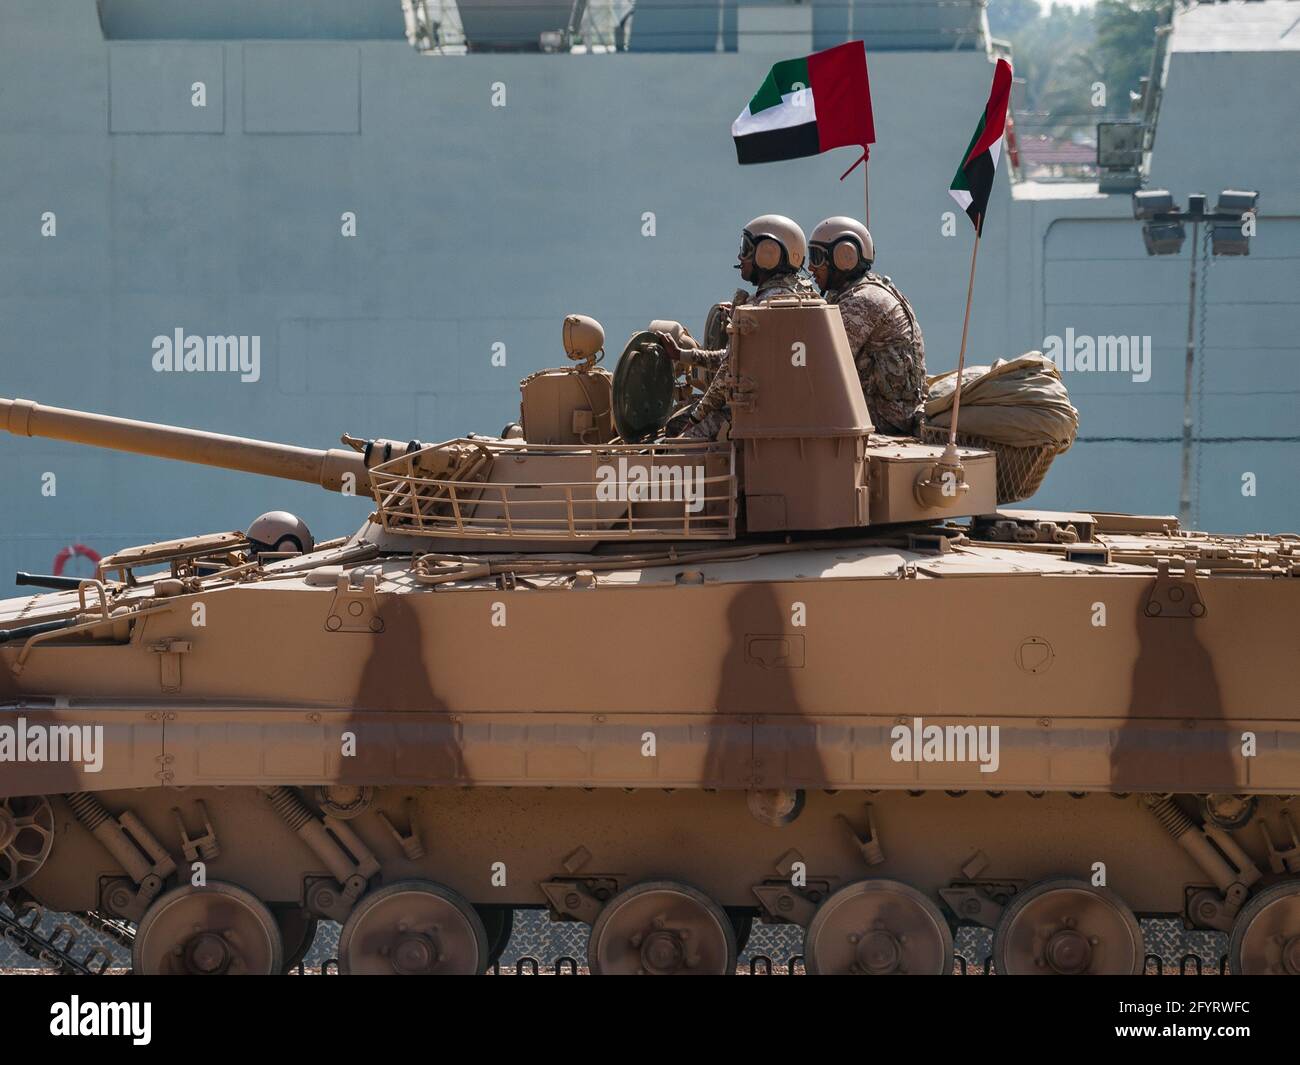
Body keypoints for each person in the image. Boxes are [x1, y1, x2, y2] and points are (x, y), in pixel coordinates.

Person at [662, 215, 817, 440]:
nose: (740, 257)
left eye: (746, 249)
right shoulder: (801, 294)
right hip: (788, 407)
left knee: (677, 441)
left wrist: (695, 418)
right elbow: (732, 357)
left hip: (757, 410)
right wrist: (682, 355)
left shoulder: (762, 310)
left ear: (768, 253)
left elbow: (728, 372)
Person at [808, 216, 927, 436]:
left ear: (843, 256)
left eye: (816, 257)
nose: (810, 267)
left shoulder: (863, 302)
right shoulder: (858, 292)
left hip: (886, 417)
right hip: (891, 412)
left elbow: (820, 364)